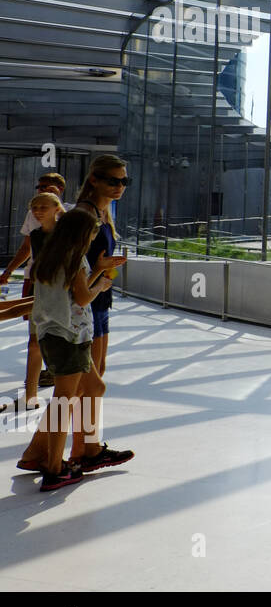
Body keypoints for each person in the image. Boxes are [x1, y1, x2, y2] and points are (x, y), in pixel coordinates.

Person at [18, 208, 125, 490]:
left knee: (87, 389)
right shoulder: (75, 260)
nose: (93, 240)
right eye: (92, 234)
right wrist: (100, 286)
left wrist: (99, 269)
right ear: (82, 235)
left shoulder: (50, 258)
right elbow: (81, 297)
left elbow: (68, 293)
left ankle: (50, 455)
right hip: (72, 337)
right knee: (64, 401)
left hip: (53, 334)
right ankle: (54, 466)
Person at [69, 155, 129, 466]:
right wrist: (97, 275)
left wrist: (102, 274)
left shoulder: (103, 214)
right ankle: (42, 449)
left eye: (124, 181)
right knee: (81, 384)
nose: (120, 186)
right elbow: (72, 265)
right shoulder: (85, 215)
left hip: (99, 300)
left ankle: (84, 448)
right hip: (85, 303)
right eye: (113, 180)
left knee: (93, 378)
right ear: (94, 180)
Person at [0, 173, 72, 400]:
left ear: (60, 191)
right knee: (35, 337)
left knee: (52, 336)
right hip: (39, 283)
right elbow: (27, 248)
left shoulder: (69, 219)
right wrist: (10, 271)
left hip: (59, 288)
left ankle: (48, 379)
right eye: (39, 187)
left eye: (47, 188)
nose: (42, 191)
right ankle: (31, 392)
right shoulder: (35, 221)